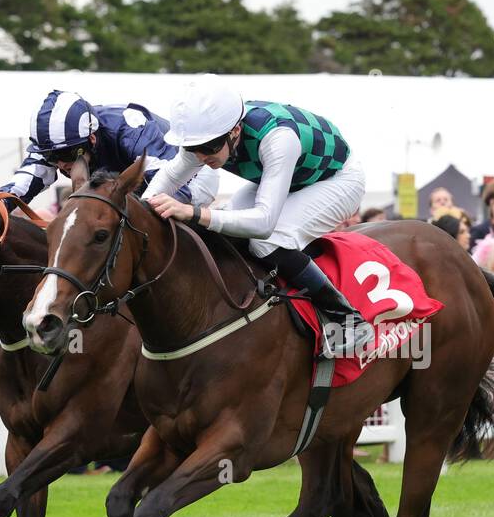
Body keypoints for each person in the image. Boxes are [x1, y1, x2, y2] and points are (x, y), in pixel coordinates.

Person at [142, 74, 374, 357]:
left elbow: (264, 224)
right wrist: (140, 215)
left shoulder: (278, 139)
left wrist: (193, 212)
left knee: (267, 240)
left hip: (339, 180)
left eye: (209, 148)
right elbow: (167, 177)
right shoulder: (207, 137)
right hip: (295, 176)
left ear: (235, 131)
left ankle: (348, 319)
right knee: (228, 223)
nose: (200, 157)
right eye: (193, 149)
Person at [0, 90, 219, 211]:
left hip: (192, 176)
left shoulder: (129, 130)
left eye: (66, 156)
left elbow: (169, 182)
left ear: (91, 138)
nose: (60, 164)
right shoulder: (62, 143)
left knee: (153, 210)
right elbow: (23, 184)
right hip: (139, 184)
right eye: (50, 157)